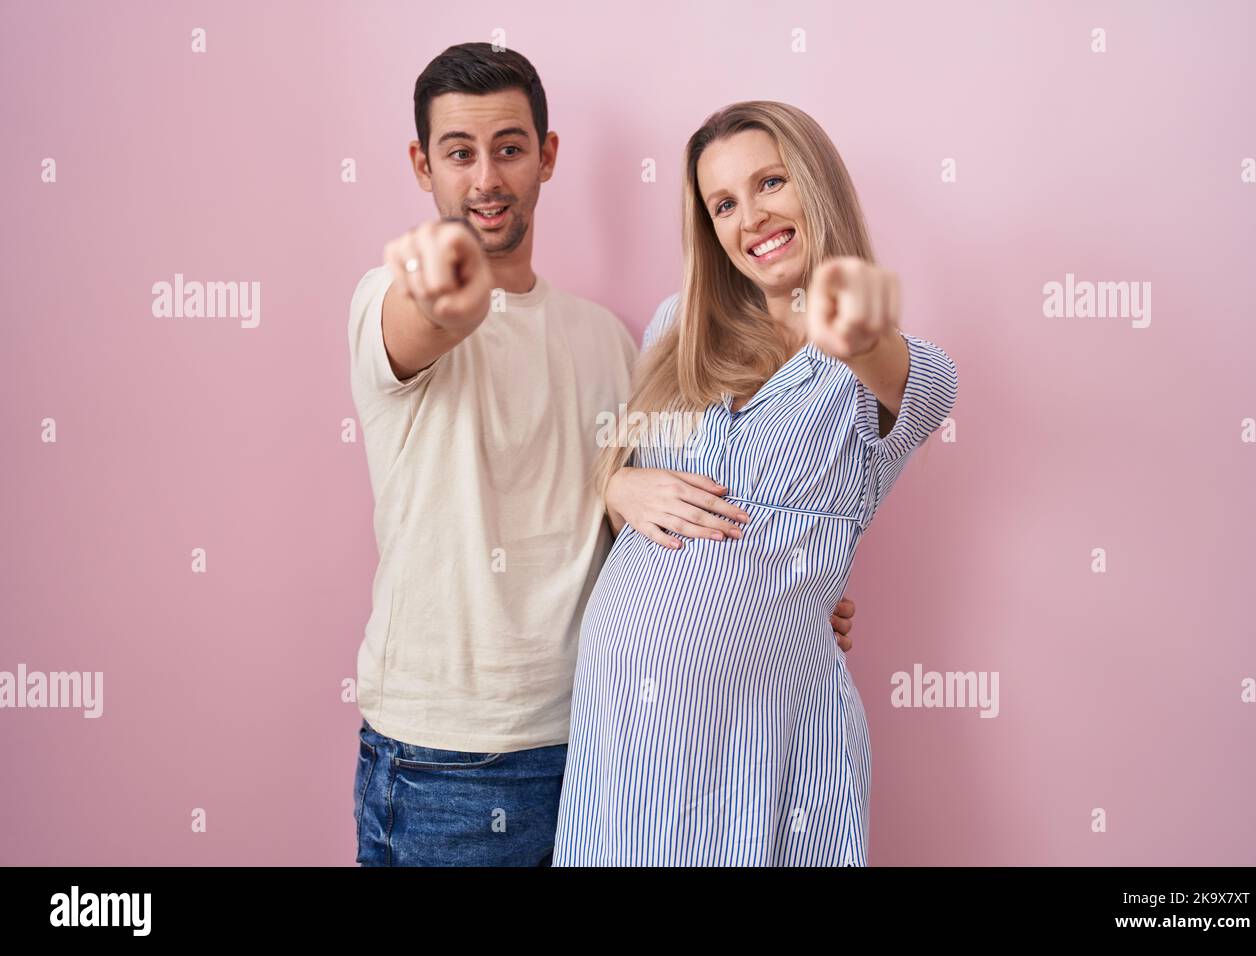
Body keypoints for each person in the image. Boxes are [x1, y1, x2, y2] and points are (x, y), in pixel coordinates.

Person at [347, 45, 858, 866]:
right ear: (422, 165)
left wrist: (784, 592)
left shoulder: (611, 339)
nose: (486, 178)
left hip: (603, 745)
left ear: (547, 158)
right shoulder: (387, 301)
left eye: (509, 148)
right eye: (459, 153)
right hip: (447, 763)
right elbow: (425, 320)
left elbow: (655, 509)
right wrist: (446, 288)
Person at [551, 101, 959, 866]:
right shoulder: (677, 326)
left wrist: (856, 333)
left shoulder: (897, 372)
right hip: (622, 730)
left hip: (757, 735)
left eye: (771, 182)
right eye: (724, 204)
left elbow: (898, 369)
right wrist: (618, 491)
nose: (752, 217)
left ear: (817, 183)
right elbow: (626, 465)